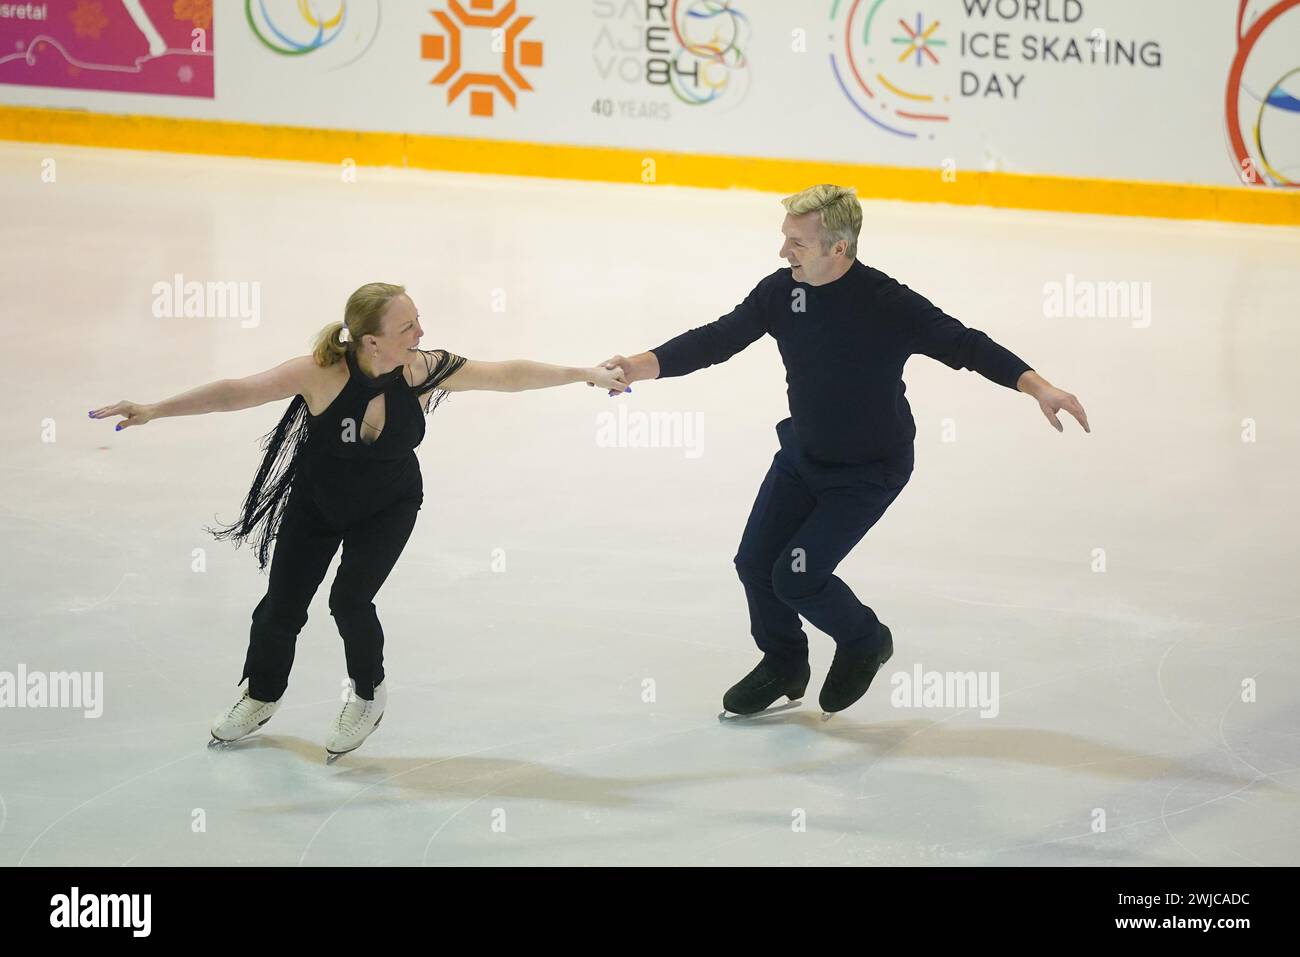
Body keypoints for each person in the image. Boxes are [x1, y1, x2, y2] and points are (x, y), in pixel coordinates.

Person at [595, 185, 1090, 719]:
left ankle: (865, 639)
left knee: (798, 577)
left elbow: (965, 343)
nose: (784, 252)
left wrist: (1037, 386)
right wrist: (636, 366)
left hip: (868, 470)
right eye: (785, 239)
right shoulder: (783, 293)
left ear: (839, 249)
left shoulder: (886, 302)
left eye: (797, 243)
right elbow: (716, 340)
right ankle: (785, 663)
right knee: (755, 564)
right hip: (804, 457)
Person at [90, 282, 628, 759]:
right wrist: (155, 409)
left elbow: (505, 376)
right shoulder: (319, 372)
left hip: (388, 506)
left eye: (417, 319)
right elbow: (236, 391)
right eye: (408, 324)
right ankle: (261, 694)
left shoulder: (420, 367)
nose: (422, 329)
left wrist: (583, 373)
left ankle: (367, 697)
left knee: (349, 601)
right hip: (317, 505)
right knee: (281, 606)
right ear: (371, 340)